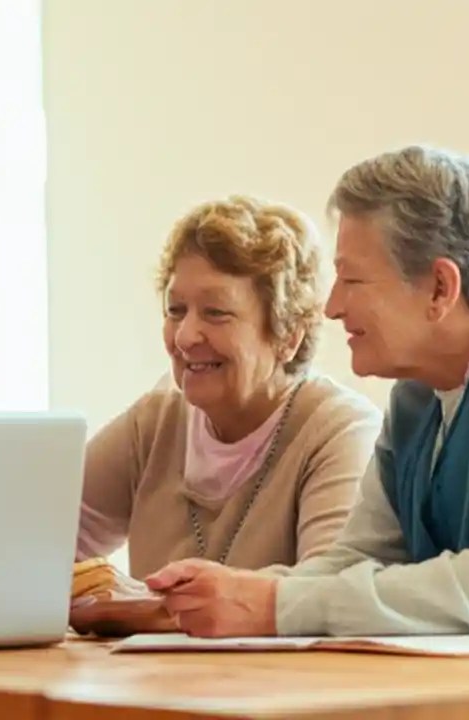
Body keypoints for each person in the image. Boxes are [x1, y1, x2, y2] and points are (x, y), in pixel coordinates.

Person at [147, 145, 469, 638]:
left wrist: (273, 606)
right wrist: (230, 594)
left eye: (351, 279)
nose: (332, 306)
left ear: (441, 288)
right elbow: (361, 557)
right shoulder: (419, 394)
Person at [69, 195, 381, 636]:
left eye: (215, 313)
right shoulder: (155, 421)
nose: (185, 336)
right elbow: (29, 546)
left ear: (289, 335)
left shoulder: (340, 430)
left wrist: (148, 609)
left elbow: (327, 596)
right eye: (175, 310)